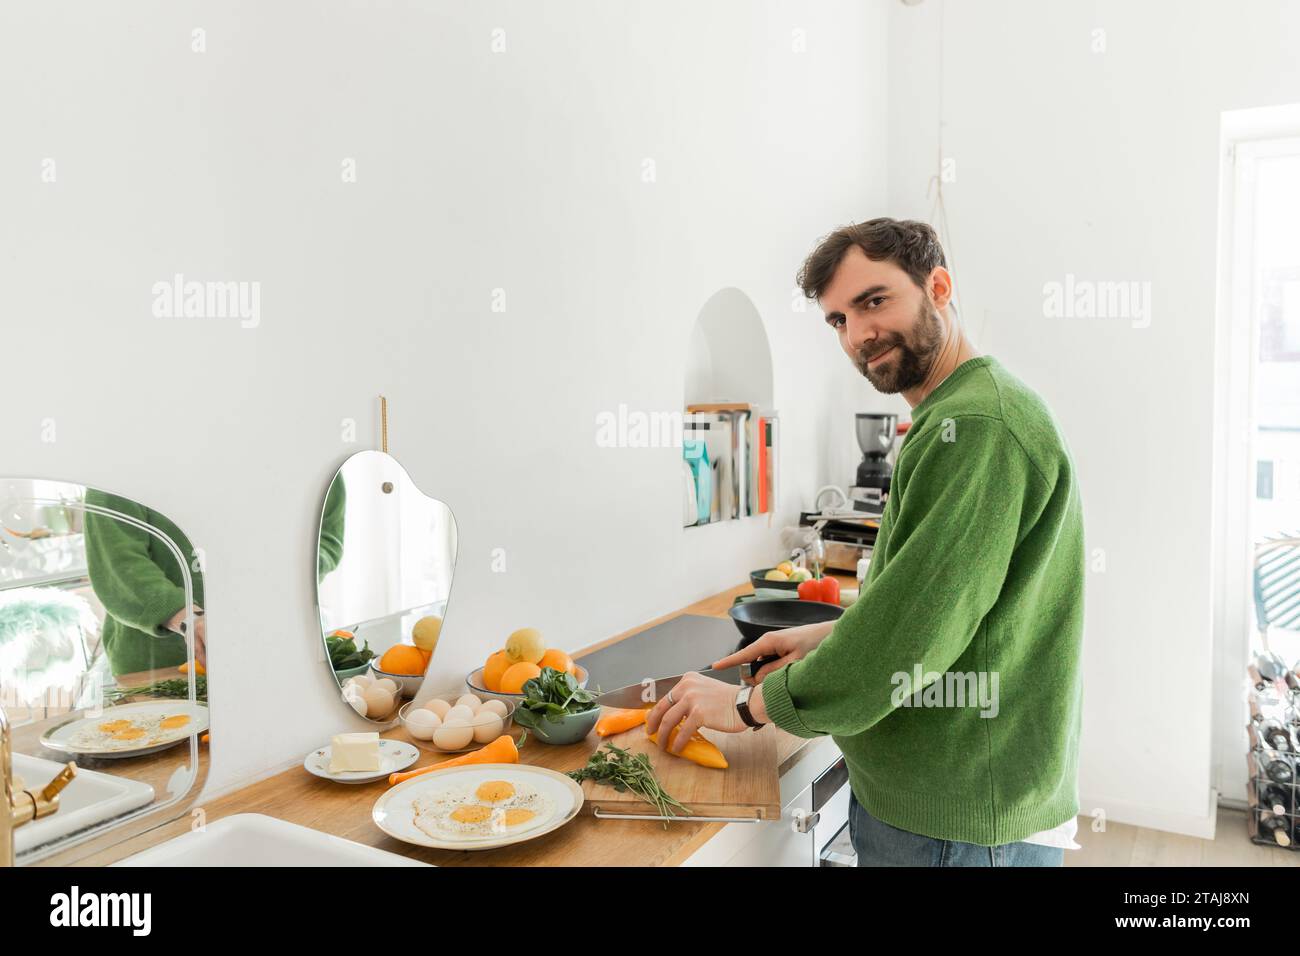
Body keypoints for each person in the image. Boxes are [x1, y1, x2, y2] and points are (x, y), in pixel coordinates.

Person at [646, 218, 1085, 867]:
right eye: (838, 320)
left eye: (873, 301)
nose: (858, 335)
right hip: (944, 810)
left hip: (956, 822)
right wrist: (825, 638)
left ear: (938, 287)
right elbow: (946, 610)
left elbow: (909, 638)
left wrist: (748, 704)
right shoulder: (954, 416)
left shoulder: (977, 427)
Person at [83, 489, 205, 677]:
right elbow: (120, 567)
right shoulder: (110, 475)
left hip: (239, 654)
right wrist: (191, 620)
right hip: (157, 666)